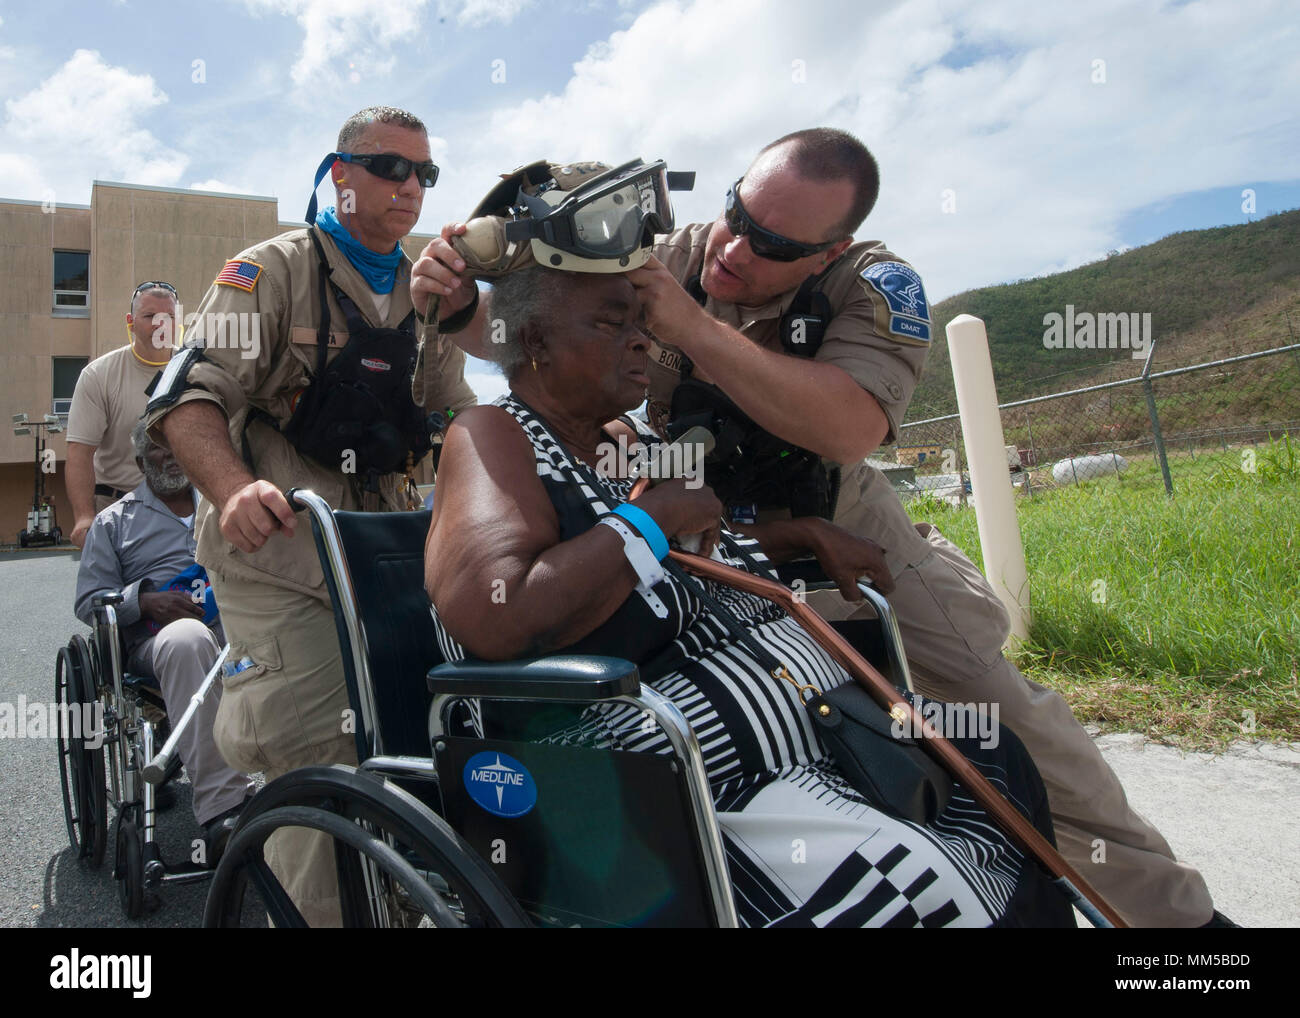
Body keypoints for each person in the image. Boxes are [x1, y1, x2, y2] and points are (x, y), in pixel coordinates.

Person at [619, 128, 1231, 928]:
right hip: (714, 554)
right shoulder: (679, 253)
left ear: (827, 249)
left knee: (1017, 739)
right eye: (736, 212)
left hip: (857, 551)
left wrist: (697, 332)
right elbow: (527, 325)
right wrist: (460, 301)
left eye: (770, 243)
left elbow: (847, 427)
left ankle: (1183, 932)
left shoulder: (873, 283)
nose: (734, 248)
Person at [424, 262, 1075, 927]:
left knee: (992, 759)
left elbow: (689, 552)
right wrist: (649, 521)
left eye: (640, 324)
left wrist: (799, 533)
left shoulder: (626, 441)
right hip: (668, 779)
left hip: (810, 727)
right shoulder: (492, 437)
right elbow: (497, 612)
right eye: (610, 324)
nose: (642, 341)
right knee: (912, 880)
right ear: (535, 343)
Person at [142, 105, 476, 925]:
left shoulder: (428, 292)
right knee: (322, 748)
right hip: (279, 552)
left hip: (390, 557)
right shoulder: (269, 270)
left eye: (424, 174)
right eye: (390, 168)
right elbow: (187, 396)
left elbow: (464, 413)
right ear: (341, 173)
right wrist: (231, 489)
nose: (410, 188)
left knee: (419, 742)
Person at [75, 421, 254, 857]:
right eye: (157, 450)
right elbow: (89, 603)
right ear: (140, 463)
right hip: (158, 644)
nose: (170, 455)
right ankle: (223, 808)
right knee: (187, 639)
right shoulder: (114, 522)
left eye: (177, 445)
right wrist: (145, 601)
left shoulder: (221, 503)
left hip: (233, 627)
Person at [66, 282, 178, 548]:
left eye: (169, 317)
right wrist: (84, 517)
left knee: (185, 588)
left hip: (182, 505)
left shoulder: (195, 368)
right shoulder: (99, 375)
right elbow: (79, 452)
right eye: (150, 316)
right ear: (131, 321)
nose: (160, 324)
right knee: (118, 589)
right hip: (117, 506)